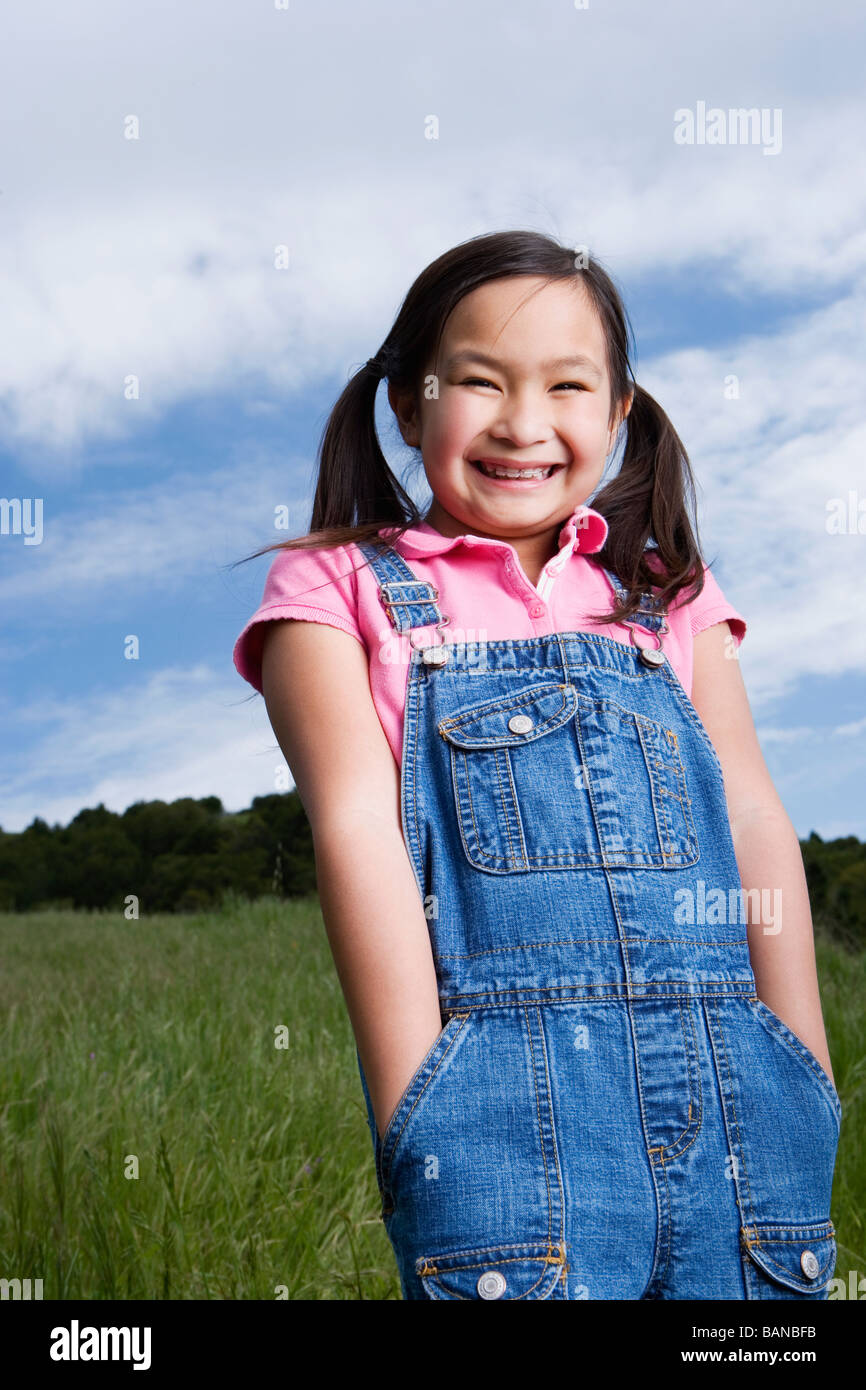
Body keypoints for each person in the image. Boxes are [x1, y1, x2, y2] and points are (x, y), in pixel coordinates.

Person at [231, 230, 841, 1300]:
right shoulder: (337, 590)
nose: (522, 422)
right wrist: (419, 1109)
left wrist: (804, 1071)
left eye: (566, 385)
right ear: (410, 405)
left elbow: (750, 815)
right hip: (502, 1119)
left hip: (741, 1100)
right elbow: (356, 836)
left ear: (616, 414)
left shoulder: (668, 597)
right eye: (477, 381)